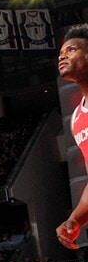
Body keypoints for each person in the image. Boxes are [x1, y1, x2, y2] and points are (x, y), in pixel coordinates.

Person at [57, 25, 88, 249]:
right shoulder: (77, 117)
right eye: (61, 53)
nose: (62, 56)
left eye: (71, 50)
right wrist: (75, 219)